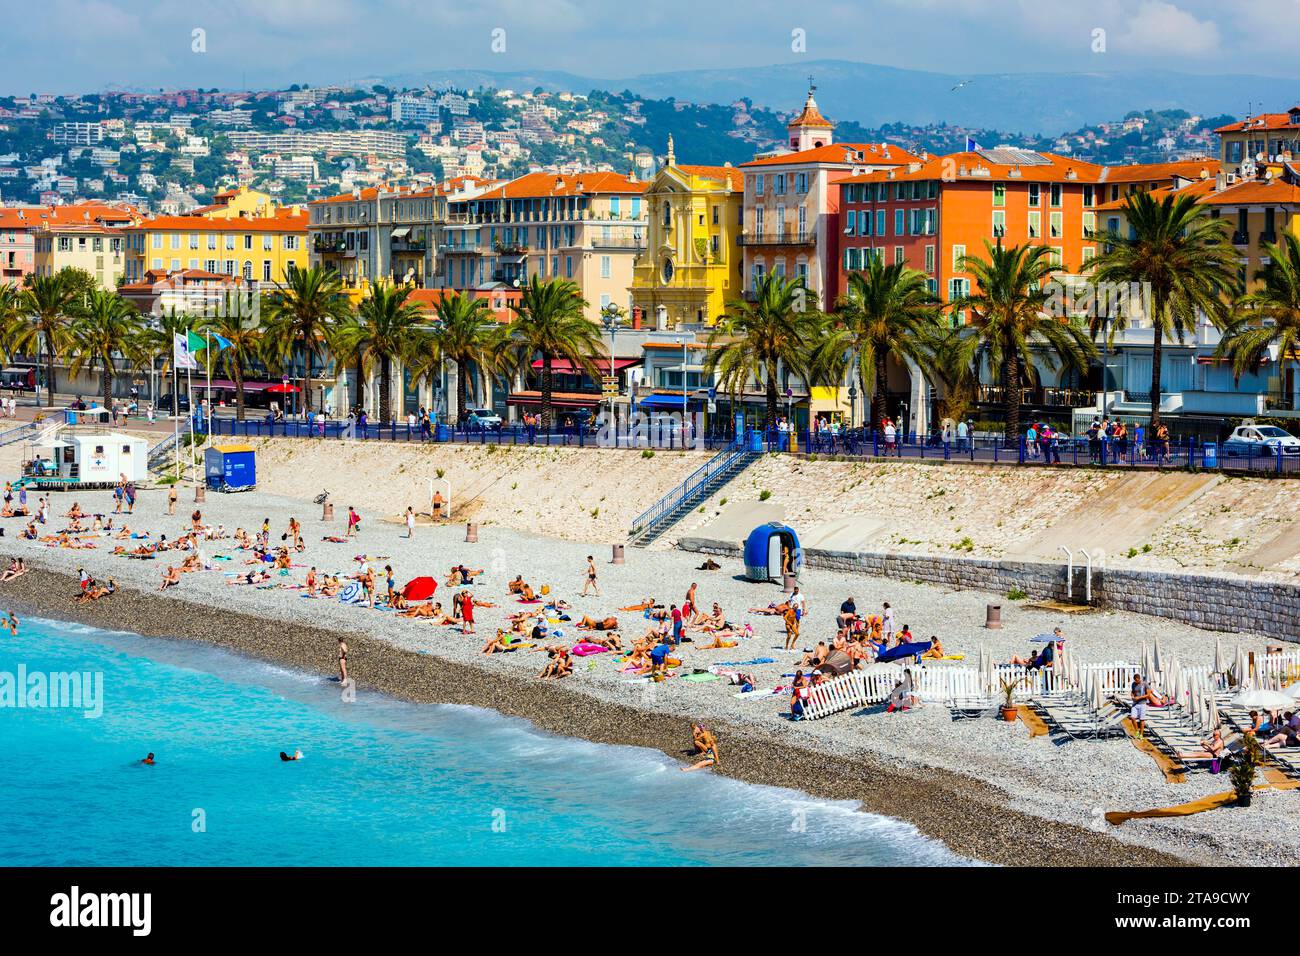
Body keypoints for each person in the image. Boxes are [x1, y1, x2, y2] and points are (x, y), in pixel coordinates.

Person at [1130, 673, 1149, 739]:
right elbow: (1132, 692)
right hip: (1135, 703)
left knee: (1142, 719)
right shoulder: (1133, 684)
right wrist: (1132, 696)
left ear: (1139, 679)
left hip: (1142, 703)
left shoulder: (1144, 684)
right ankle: (1137, 731)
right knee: (1132, 717)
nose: (1136, 681)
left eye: (1137, 680)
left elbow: (1148, 694)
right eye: (1135, 680)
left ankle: (1141, 734)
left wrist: (1139, 697)